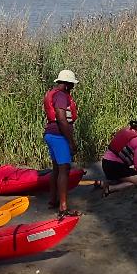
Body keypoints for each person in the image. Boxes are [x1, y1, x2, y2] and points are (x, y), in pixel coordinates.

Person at [43, 69, 80, 217]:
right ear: (65, 84)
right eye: (71, 84)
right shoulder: (61, 96)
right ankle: (63, 207)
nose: (72, 87)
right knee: (64, 169)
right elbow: (61, 118)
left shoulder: (54, 93)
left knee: (56, 169)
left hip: (51, 135)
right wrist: (71, 142)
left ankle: (53, 200)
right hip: (58, 136)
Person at [98, 118, 137, 195]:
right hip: (114, 167)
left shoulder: (125, 130)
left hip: (105, 163)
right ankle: (111, 188)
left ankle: (102, 183)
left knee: (126, 176)